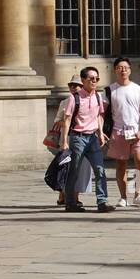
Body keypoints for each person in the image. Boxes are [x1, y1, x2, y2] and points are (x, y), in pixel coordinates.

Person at [59, 66, 116, 214]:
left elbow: (99, 116)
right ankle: (70, 202)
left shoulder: (98, 96)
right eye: (91, 79)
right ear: (83, 80)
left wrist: (101, 132)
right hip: (78, 138)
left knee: (100, 169)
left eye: (96, 79)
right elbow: (67, 120)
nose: (94, 81)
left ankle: (102, 202)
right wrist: (64, 141)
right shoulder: (74, 98)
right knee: (74, 171)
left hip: (92, 138)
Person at [106, 58, 140, 207]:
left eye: (125, 67)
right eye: (119, 67)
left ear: (130, 70)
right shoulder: (110, 90)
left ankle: (137, 194)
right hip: (119, 131)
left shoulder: (138, 89)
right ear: (114, 70)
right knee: (121, 164)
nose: (123, 70)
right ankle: (123, 196)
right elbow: (103, 112)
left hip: (136, 131)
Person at [50, 75, 83, 206]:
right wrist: (66, 121)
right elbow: (57, 121)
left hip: (80, 138)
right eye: (72, 85)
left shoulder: (86, 101)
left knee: (77, 169)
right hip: (67, 138)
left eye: (77, 85)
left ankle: (75, 196)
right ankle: (62, 194)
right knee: (65, 168)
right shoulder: (64, 102)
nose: (74, 88)